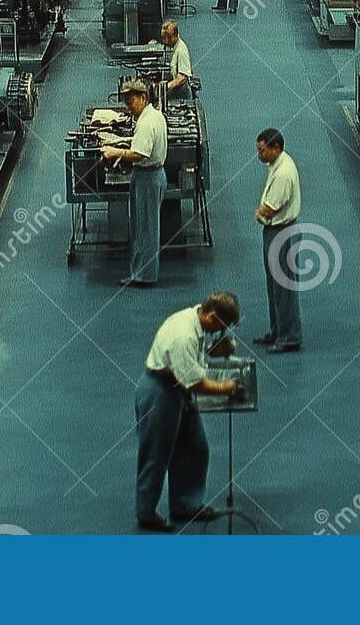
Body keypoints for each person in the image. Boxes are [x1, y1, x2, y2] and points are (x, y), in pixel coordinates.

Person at [134, 292, 243, 531]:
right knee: (156, 454)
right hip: (159, 391)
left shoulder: (196, 320)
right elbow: (194, 383)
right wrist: (227, 388)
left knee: (195, 446)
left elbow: (194, 357)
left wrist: (214, 349)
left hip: (177, 389)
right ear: (213, 316)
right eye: (222, 327)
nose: (221, 332)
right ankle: (146, 514)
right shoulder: (184, 336)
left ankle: (186, 504)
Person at [103, 80, 168, 286]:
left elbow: (140, 153)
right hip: (151, 175)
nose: (129, 108)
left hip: (148, 177)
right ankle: (141, 271)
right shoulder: (154, 115)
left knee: (146, 229)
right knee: (143, 226)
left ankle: (145, 276)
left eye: (131, 103)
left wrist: (116, 152)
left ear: (143, 98)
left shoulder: (147, 122)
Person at [253, 128, 303, 353]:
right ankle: (277, 330)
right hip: (275, 232)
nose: (259, 155)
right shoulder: (276, 164)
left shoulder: (283, 173)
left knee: (284, 288)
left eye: (262, 151)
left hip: (281, 233)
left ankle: (289, 336)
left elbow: (269, 210)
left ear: (276, 148)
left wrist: (260, 213)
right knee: (274, 287)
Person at [161, 20, 193, 101]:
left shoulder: (181, 51)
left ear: (173, 36)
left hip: (181, 94)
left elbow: (182, 78)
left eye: (166, 38)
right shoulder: (175, 46)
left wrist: (164, 87)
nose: (164, 41)